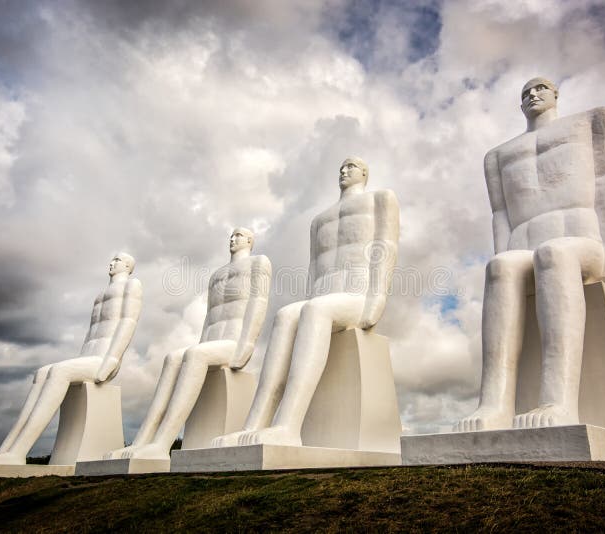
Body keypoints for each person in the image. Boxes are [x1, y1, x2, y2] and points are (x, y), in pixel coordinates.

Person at [455, 77, 605, 431]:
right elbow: (500, 214)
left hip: (582, 242)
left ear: (556, 95)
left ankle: (558, 402)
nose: (532, 94)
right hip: (524, 245)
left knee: (555, 255)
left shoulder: (589, 122)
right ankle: (493, 404)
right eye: (525, 93)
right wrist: (504, 262)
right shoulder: (498, 156)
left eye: (540, 89)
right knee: (501, 266)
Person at [213, 157, 399, 448]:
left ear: (365, 172)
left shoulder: (380, 199)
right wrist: (309, 305)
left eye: (351, 166)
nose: (344, 170)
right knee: (287, 315)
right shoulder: (319, 221)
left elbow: (386, 247)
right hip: (323, 299)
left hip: (355, 296)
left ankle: (288, 425)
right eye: (341, 167)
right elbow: (315, 268)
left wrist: (376, 300)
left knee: (314, 309)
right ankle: (254, 425)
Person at [104, 228, 271, 461]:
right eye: (231, 235)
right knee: (172, 358)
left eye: (239, 235)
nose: (233, 239)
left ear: (250, 241)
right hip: (211, 343)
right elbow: (209, 316)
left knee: (194, 355)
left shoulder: (258, 263)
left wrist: (247, 344)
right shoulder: (217, 275)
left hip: (233, 343)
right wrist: (202, 345)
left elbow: (258, 302)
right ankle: (143, 441)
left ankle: (162, 444)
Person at [0, 252, 143, 465]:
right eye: (112, 259)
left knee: (59, 371)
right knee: (43, 373)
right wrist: (78, 360)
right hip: (87, 357)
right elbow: (91, 333)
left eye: (117, 260)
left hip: (104, 359)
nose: (111, 262)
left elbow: (128, 322)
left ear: (127, 265)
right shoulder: (100, 295)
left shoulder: (131, 286)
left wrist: (113, 360)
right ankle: (7, 450)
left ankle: (19, 451)